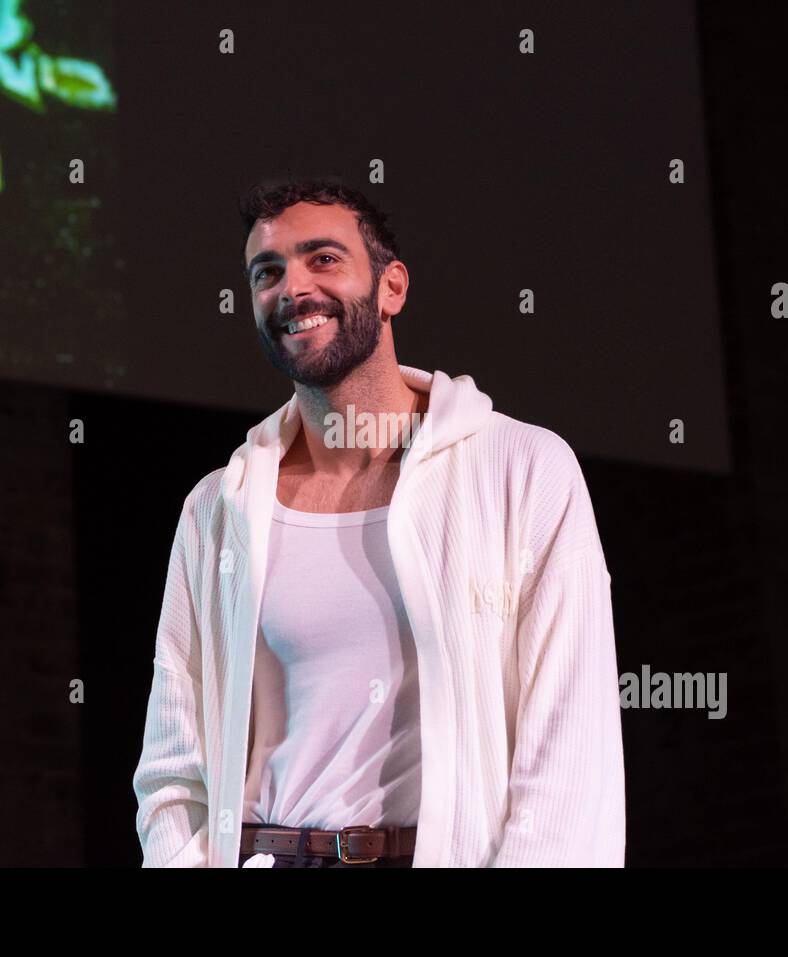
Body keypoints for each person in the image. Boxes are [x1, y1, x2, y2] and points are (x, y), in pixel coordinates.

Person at [133, 177, 625, 867]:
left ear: (392, 287)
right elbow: (172, 764)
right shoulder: (218, 508)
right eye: (266, 273)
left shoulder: (522, 469)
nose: (292, 288)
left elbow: (570, 751)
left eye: (322, 258)